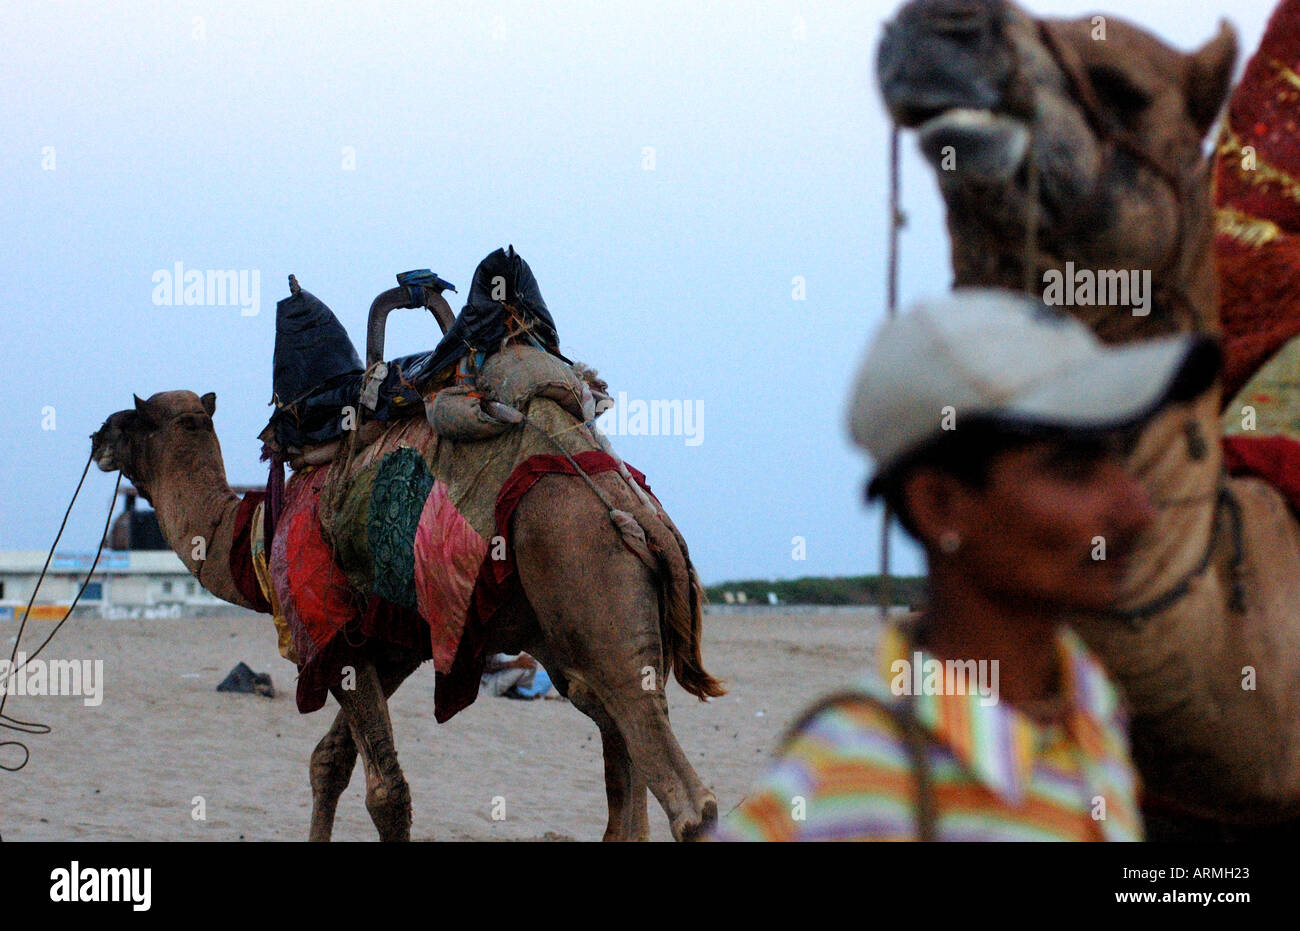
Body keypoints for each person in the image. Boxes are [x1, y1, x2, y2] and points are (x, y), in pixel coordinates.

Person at [716, 289, 1219, 841]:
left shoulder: (1094, 717)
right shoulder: (853, 781)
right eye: (1073, 468)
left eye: (1120, 457)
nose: (1138, 511)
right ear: (940, 506)